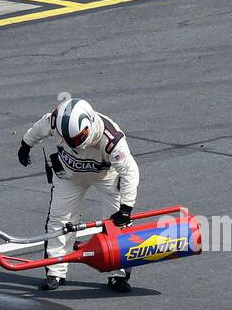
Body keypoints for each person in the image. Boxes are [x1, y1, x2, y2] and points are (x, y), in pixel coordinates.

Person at [17, 98, 141, 292]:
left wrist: (126, 207)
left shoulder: (112, 139)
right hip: (69, 175)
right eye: (68, 140)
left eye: (76, 139)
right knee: (59, 219)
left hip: (106, 176)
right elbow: (41, 127)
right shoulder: (55, 121)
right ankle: (55, 271)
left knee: (118, 224)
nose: (72, 144)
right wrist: (26, 144)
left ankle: (118, 275)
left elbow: (130, 172)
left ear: (89, 126)